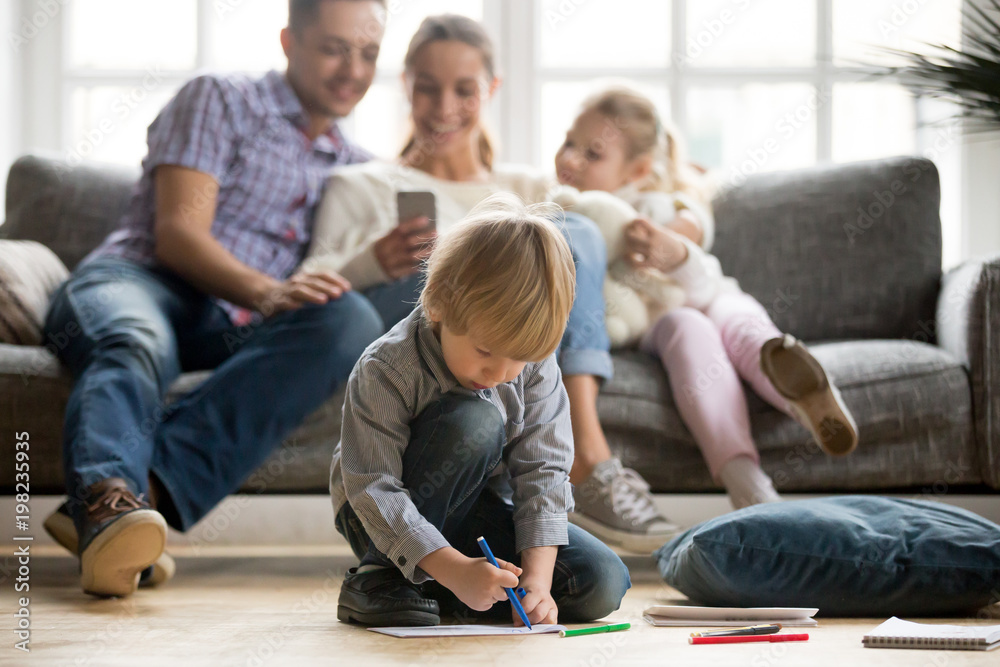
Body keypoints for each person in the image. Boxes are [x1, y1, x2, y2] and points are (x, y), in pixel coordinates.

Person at [40, 0, 387, 597]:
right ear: (288, 41)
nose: (352, 69)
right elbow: (179, 234)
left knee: (348, 318)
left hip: (234, 322)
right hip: (142, 280)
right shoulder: (221, 99)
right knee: (133, 340)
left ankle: (124, 507)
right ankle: (105, 506)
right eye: (334, 47)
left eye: (369, 53)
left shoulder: (360, 170)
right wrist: (271, 290)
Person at [305, 14, 677, 554]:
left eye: (464, 89)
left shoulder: (527, 186)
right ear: (405, 85)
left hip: (504, 340)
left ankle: (585, 452)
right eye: (426, 87)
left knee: (574, 230)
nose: (443, 106)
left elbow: (605, 231)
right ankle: (587, 461)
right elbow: (307, 292)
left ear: (491, 91)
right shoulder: (360, 185)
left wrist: (679, 213)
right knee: (527, 247)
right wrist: (371, 262)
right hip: (416, 323)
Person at [553, 86, 859, 510]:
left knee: (743, 325)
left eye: (592, 154)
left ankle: (809, 396)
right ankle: (747, 481)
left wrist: (673, 249)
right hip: (662, 318)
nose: (570, 158)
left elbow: (699, 263)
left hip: (709, 292)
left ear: (638, 169)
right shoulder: (574, 219)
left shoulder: (666, 204)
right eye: (569, 143)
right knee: (689, 329)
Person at [332, 193, 631, 627]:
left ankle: (449, 589)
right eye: (486, 351)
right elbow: (372, 488)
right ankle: (381, 579)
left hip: (474, 508)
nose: (502, 373)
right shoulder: (386, 367)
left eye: (520, 360)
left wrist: (538, 584)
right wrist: (454, 567)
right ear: (438, 305)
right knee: (475, 420)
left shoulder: (529, 364)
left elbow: (544, 470)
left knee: (601, 581)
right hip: (377, 515)